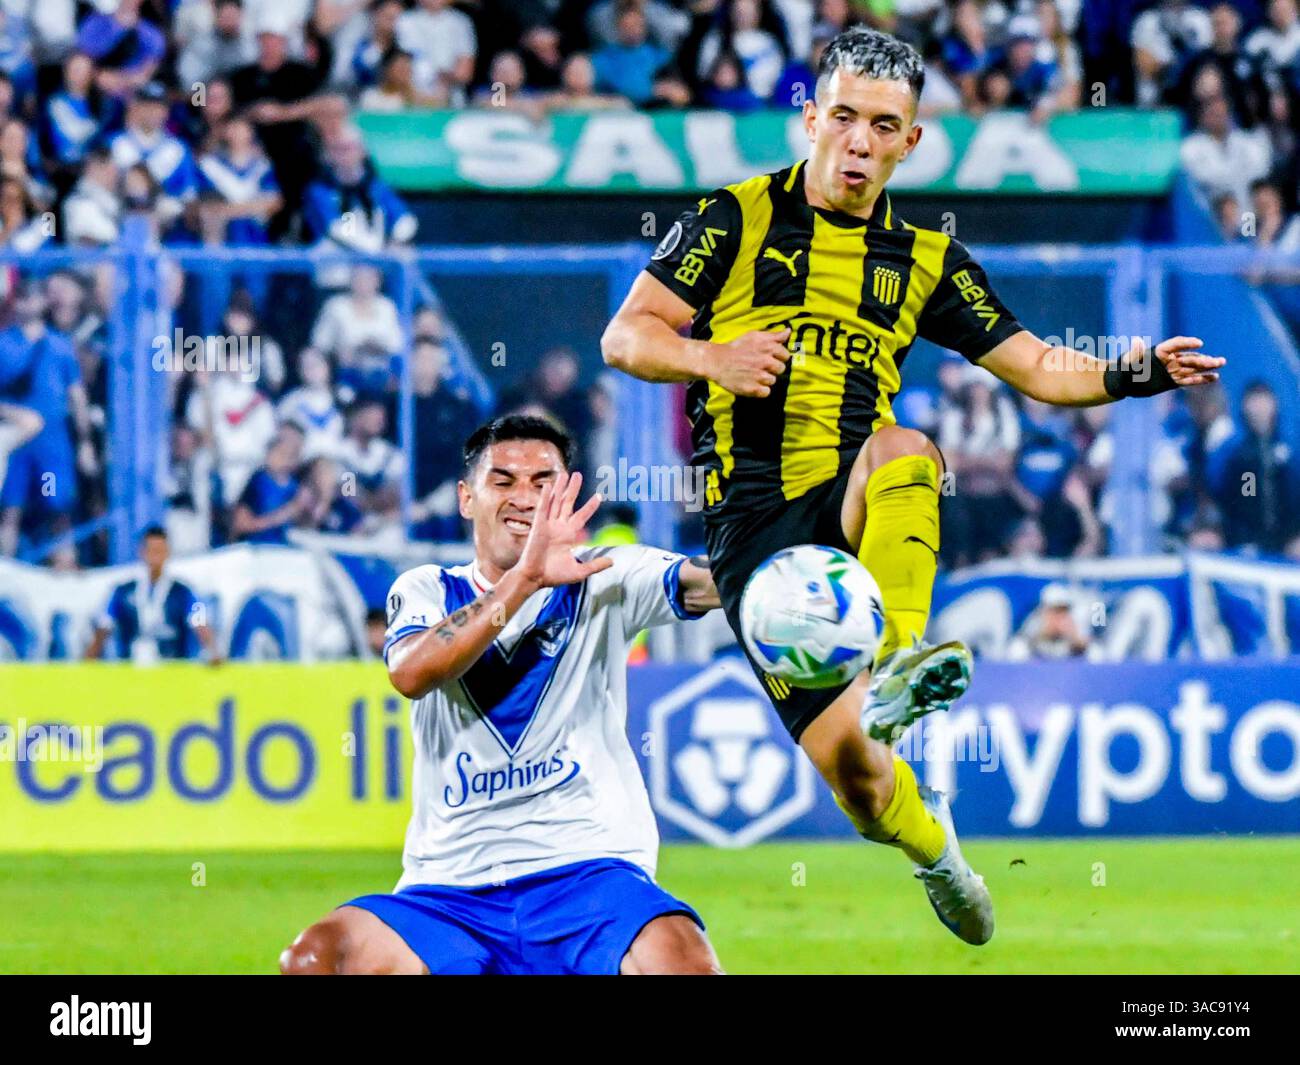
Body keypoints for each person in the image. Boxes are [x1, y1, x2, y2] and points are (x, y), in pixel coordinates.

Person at [601, 26, 1227, 946]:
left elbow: (1042, 367)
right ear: (809, 117)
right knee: (862, 785)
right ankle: (939, 852)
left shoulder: (929, 259)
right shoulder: (733, 218)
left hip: (858, 493)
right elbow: (626, 336)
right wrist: (713, 356)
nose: (858, 140)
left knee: (907, 446)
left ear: (911, 141)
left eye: (882, 125)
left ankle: (898, 657)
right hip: (753, 536)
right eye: (843, 117)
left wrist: (1132, 372)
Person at [280, 415, 723, 975]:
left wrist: (775, 575)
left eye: (544, 482)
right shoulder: (426, 589)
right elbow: (412, 673)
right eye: (504, 481)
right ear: (467, 498)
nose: (525, 498)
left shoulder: (607, 575)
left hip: (587, 873)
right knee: (316, 958)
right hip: (448, 890)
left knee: (683, 958)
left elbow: (706, 582)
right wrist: (527, 580)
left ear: (567, 496)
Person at [85, 525, 223, 664]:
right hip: (130, 673)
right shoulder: (122, 592)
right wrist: (87, 659)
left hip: (172, 672)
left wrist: (213, 651)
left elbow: (201, 623)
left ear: (167, 553)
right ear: (142, 552)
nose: (156, 557)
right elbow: (103, 627)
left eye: (160, 551)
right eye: (152, 551)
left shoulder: (184, 592)